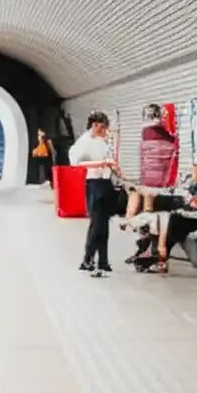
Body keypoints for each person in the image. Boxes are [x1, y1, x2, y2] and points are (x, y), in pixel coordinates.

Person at [69, 111, 119, 276]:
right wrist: (101, 163)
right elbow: (77, 163)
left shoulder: (103, 141)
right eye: (102, 127)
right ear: (95, 125)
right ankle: (88, 259)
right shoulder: (84, 142)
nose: (105, 130)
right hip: (94, 184)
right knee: (96, 225)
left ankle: (103, 260)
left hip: (105, 183)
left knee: (103, 225)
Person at [123, 104, 179, 220]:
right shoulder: (169, 136)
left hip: (148, 179)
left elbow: (144, 159)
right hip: (163, 179)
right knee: (146, 191)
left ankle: (129, 217)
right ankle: (146, 218)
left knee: (138, 190)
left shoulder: (145, 133)